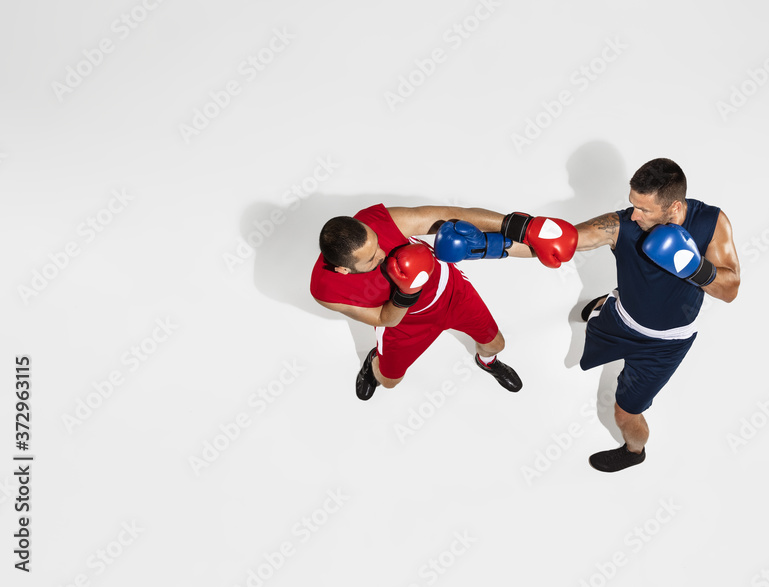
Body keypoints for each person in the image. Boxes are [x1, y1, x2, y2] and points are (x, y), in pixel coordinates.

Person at [573, 158, 740, 472]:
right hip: (623, 318)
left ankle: (634, 452)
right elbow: (566, 238)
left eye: (644, 209)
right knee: (613, 310)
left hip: (665, 344)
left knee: (624, 413)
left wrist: (695, 268)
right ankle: (605, 303)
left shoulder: (711, 223)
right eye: (632, 205)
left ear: (673, 207)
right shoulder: (621, 224)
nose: (634, 215)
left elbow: (730, 290)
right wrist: (498, 239)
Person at [310, 204, 577, 400]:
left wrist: (522, 227)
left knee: (496, 344)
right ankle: (373, 361)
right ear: (345, 269)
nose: (382, 252)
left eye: (376, 243)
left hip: (451, 293)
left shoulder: (377, 220)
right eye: (371, 259)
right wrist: (407, 292)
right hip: (405, 324)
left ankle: (486, 363)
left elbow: (447, 216)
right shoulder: (326, 290)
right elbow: (384, 319)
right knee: (389, 381)